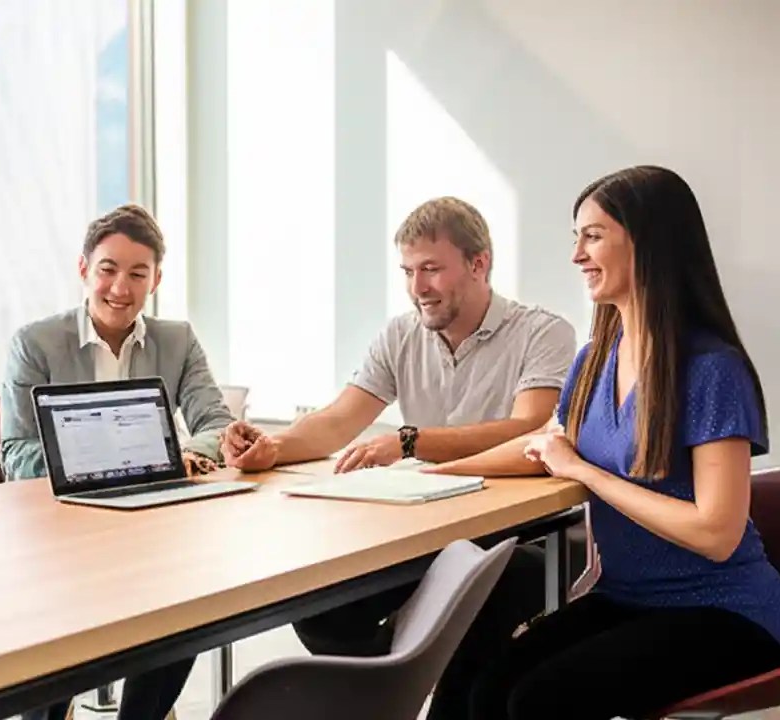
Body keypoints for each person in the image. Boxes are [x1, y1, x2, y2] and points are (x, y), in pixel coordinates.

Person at [439, 166, 780, 720]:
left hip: (726, 609)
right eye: (576, 238)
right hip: (631, 598)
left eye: (592, 236)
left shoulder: (712, 369)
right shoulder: (597, 357)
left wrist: (588, 473)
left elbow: (716, 534)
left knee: (538, 702)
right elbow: (547, 444)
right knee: (484, 689)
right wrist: (431, 476)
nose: (577, 255)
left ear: (649, 242)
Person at [220, 196, 577, 719]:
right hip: (426, 527)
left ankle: (429, 692)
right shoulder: (401, 335)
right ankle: (397, 688)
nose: (417, 288)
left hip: (515, 534)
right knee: (323, 607)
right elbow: (339, 421)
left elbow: (528, 428)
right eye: (408, 271)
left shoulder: (544, 333)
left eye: (431, 269)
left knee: (484, 603)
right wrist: (270, 449)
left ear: (479, 264)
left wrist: (411, 442)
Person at [2, 203, 234, 720]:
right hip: (63, 535)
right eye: (108, 269)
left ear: (156, 279)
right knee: (57, 633)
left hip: (154, 531)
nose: (120, 288)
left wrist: (191, 455)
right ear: (84, 269)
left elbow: (216, 423)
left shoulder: (177, 340)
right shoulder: (35, 343)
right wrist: (110, 461)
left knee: (188, 599)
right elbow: (15, 453)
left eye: (138, 274)